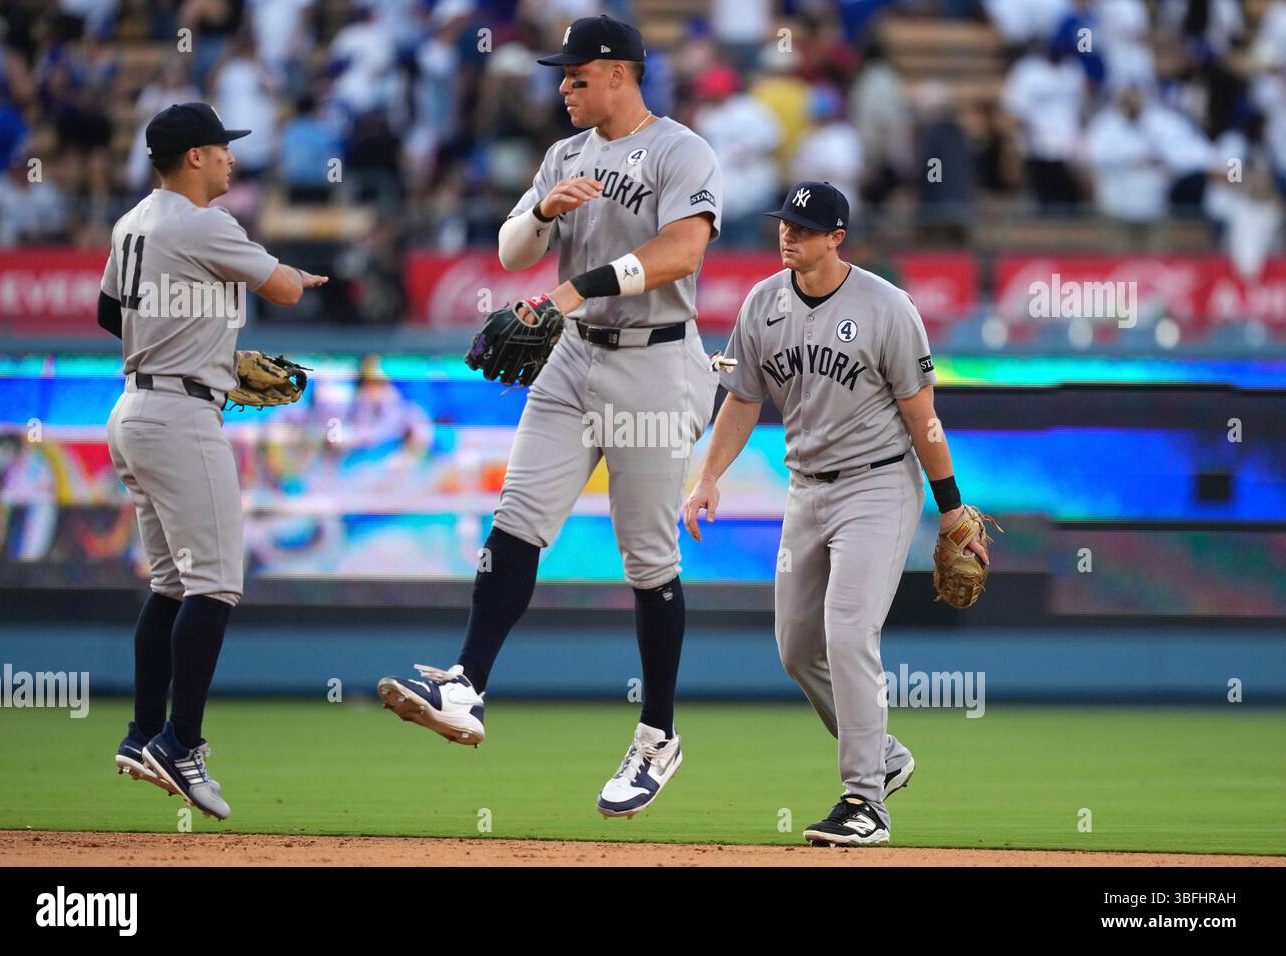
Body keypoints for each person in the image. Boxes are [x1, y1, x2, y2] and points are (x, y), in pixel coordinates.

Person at [377, 15, 723, 819]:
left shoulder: (681, 150)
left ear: (619, 73)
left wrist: (574, 289)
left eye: (575, 74)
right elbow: (510, 253)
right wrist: (541, 216)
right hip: (575, 358)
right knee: (517, 517)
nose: (562, 86)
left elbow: (684, 252)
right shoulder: (564, 155)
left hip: (657, 360)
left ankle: (657, 736)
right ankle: (466, 684)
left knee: (647, 558)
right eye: (561, 74)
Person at [682, 181, 988, 846]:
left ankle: (865, 802)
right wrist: (707, 477)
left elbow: (922, 417)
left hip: (878, 486)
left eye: (804, 226)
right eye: (785, 224)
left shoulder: (886, 307)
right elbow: (741, 399)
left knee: (848, 632)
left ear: (837, 236)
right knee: (797, 648)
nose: (788, 235)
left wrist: (952, 507)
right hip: (806, 489)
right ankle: (883, 757)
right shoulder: (762, 304)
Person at [103, 102, 326, 819]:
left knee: (171, 584)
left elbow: (112, 315)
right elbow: (285, 288)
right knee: (216, 585)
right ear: (193, 157)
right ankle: (181, 743)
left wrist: (202, 349)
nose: (231, 157)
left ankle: (142, 733)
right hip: (180, 413)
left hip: (134, 407)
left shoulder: (132, 220)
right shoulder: (203, 222)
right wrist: (296, 277)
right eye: (221, 147)